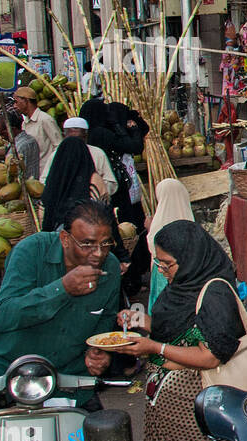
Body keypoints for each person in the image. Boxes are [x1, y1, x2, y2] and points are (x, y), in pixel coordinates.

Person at [110, 219, 246, 441]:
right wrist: (143, 323)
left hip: (190, 407)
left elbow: (212, 353)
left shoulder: (214, 292)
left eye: (168, 264)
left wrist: (153, 346)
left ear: (190, 258)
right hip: (163, 403)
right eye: (158, 263)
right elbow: (174, 325)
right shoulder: (183, 286)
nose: (163, 271)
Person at [0, 201, 122, 426]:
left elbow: (105, 318)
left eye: (105, 243)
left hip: (66, 375)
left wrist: (97, 351)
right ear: (64, 239)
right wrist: (61, 289)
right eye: (87, 244)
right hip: (2, 367)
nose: (98, 254)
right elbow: (4, 315)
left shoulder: (110, 268)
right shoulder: (30, 252)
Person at [82, 99, 149, 292]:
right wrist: (129, 127)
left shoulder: (91, 135)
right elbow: (134, 145)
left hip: (107, 193)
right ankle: (129, 276)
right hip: (114, 193)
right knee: (125, 230)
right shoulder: (102, 134)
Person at [146, 178, 194, 311]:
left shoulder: (158, 222)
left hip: (163, 275)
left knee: (163, 305)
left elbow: (153, 246)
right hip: (187, 277)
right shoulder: (190, 221)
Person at [42, 116, 118, 199]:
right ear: (64, 136)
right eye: (71, 139)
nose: (75, 143)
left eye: (79, 139)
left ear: (86, 136)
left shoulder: (98, 154)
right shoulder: (55, 156)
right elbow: (45, 182)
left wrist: (95, 189)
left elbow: (111, 183)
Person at [12, 86, 64, 168]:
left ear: (26, 100)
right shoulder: (25, 123)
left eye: (16, 102)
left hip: (45, 172)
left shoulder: (45, 119)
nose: (15, 106)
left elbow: (59, 146)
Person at [0, 105, 40, 180]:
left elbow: (16, 174)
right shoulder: (30, 140)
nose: (2, 137)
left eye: (2, 134)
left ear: (12, 129)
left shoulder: (21, 146)